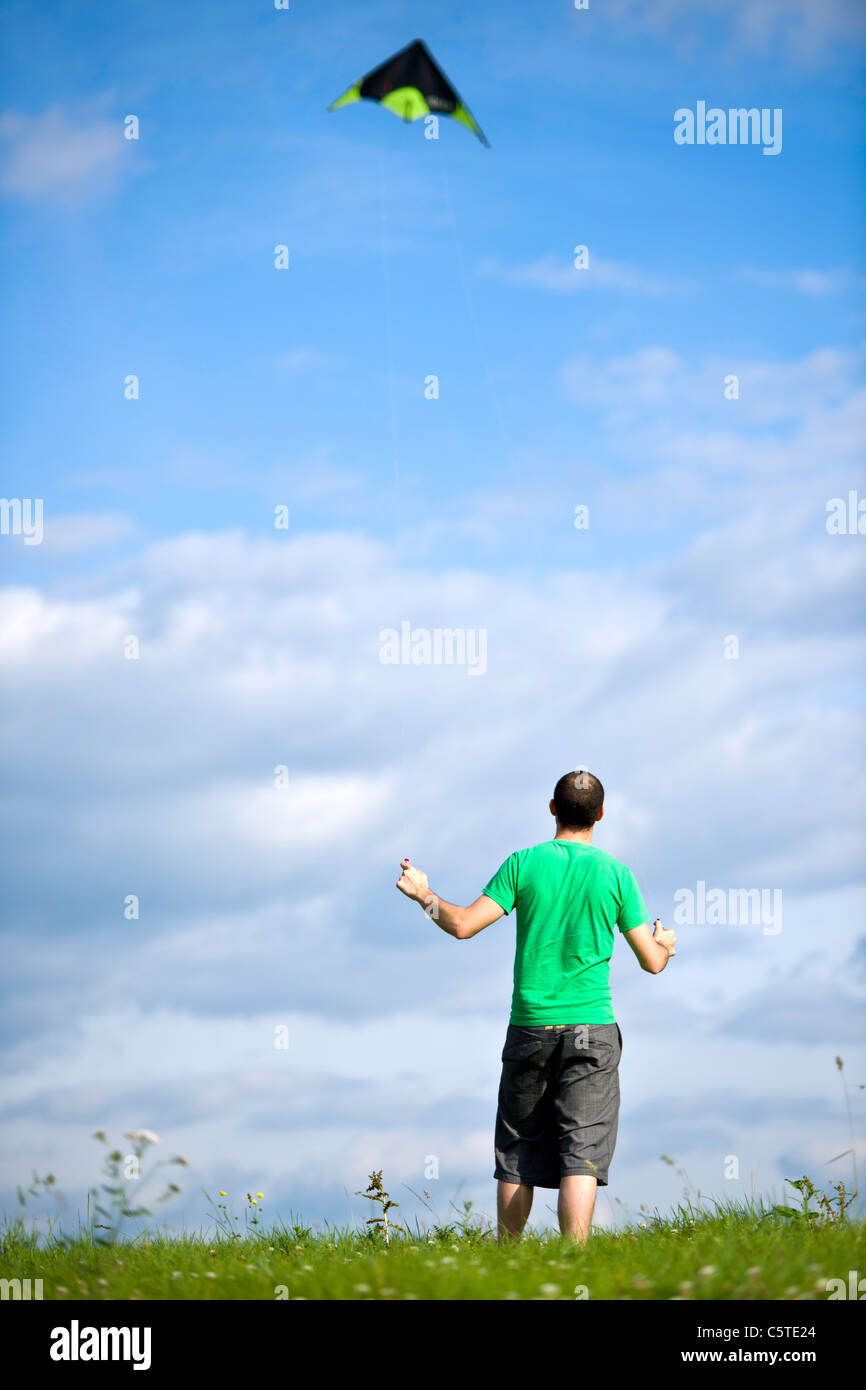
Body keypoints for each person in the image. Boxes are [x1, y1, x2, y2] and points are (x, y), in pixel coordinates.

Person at [395, 768, 677, 1243]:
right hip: (593, 1027)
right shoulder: (616, 874)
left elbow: (463, 925)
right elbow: (651, 962)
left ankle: (509, 1259)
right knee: (581, 1152)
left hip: (529, 1028)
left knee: (517, 1154)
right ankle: (574, 1261)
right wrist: (664, 944)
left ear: (552, 808)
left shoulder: (523, 864)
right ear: (601, 815)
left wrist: (423, 894)